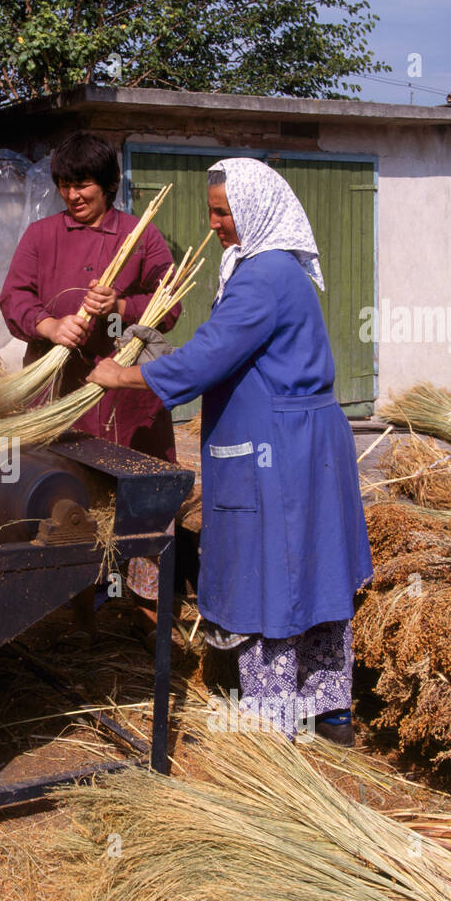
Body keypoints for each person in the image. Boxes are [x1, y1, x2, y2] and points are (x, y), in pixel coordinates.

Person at [88, 157, 373, 745]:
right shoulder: (268, 269)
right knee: (314, 568)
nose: (214, 222)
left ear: (255, 211)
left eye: (224, 212)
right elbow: (224, 348)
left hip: (280, 451)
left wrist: (122, 376)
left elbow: (208, 358)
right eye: (212, 211)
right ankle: (330, 711)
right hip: (304, 444)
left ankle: (274, 728)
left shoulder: (264, 274)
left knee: (273, 572)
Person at [0, 132, 177, 642]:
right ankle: (74, 606)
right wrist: (48, 326)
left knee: (137, 499)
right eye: (65, 186)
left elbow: (172, 306)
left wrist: (121, 307)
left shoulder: (140, 234)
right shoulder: (40, 235)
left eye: (84, 186)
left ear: (108, 185)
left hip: (126, 394)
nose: (74, 196)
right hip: (59, 393)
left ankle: (144, 612)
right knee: (68, 495)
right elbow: (14, 298)